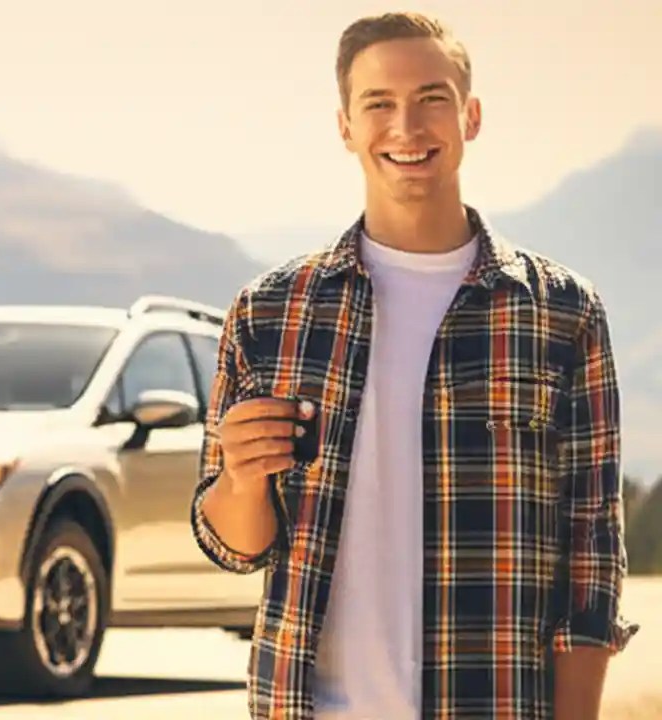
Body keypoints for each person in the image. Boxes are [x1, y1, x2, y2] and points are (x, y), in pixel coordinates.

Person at [191, 11, 637, 719]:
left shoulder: (561, 313)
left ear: (471, 116)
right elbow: (236, 547)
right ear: (345, 126)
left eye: (432, 98)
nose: (407, 127)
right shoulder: (272, 312)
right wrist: (243, 478)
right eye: (379, 104)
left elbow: (591, 555)